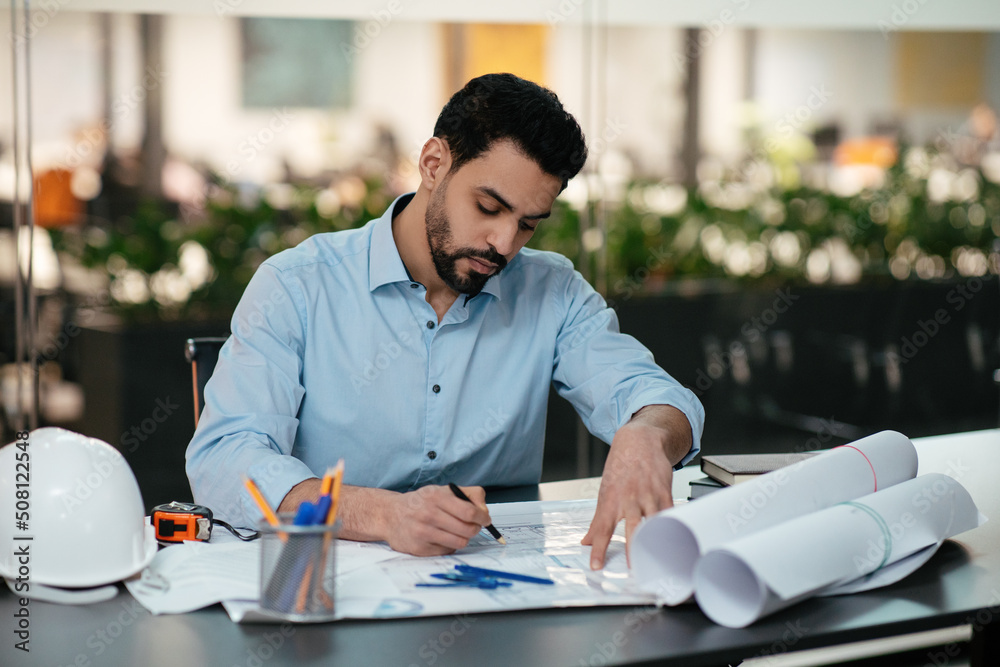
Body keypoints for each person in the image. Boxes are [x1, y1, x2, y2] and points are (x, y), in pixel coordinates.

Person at [186, 73, 704, 570]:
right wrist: (384, 514)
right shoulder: (297, 286)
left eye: (527, 224)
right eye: (487, 207)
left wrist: (645, 436)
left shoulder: (552, 293)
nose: (504, 244)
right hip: (316, 595)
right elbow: (224, 460)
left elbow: (659, 399)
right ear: (434, 164)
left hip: (491, 598)